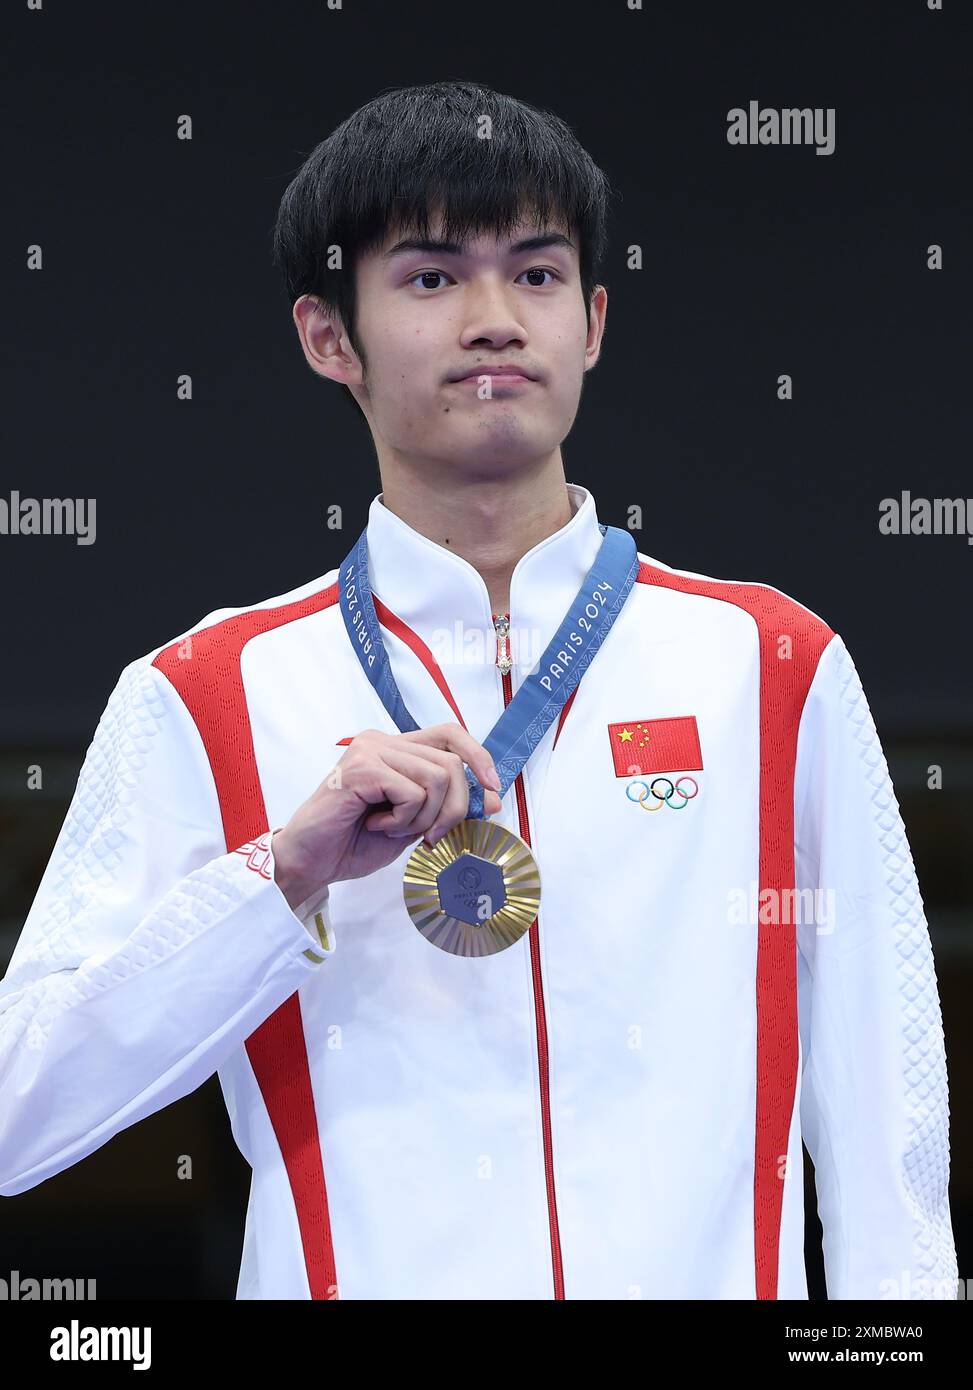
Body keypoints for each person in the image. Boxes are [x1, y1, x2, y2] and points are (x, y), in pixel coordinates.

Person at [0, 80, 957, 1301]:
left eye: (539, 274)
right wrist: (276, 879)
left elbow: (887, 1112)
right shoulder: (204, 692)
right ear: (327, 336)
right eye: (433, 276)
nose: (496, 319)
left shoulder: (771, 665)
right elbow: (19, 1111)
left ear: (595, 321)